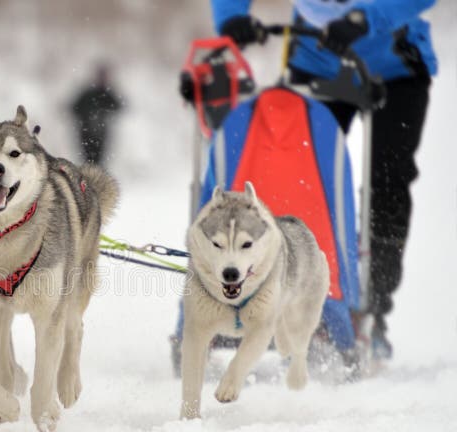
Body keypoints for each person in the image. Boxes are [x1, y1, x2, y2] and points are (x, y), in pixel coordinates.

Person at [171, 0, 437, 371]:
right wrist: (231, 17)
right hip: (319, 58)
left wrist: (367, 18)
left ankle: (371, 309)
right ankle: (298, 296)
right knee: (297, 174)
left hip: (394, 65)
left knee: (388, 184)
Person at [71, 64, 123, 165]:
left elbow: (119, 107)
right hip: (87, 133)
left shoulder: (108, 94)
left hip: (101, 134)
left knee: (99, 161)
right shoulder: (88, 94)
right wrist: (86, 116)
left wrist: (104, 115)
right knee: (88, 160)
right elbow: (74, 108)